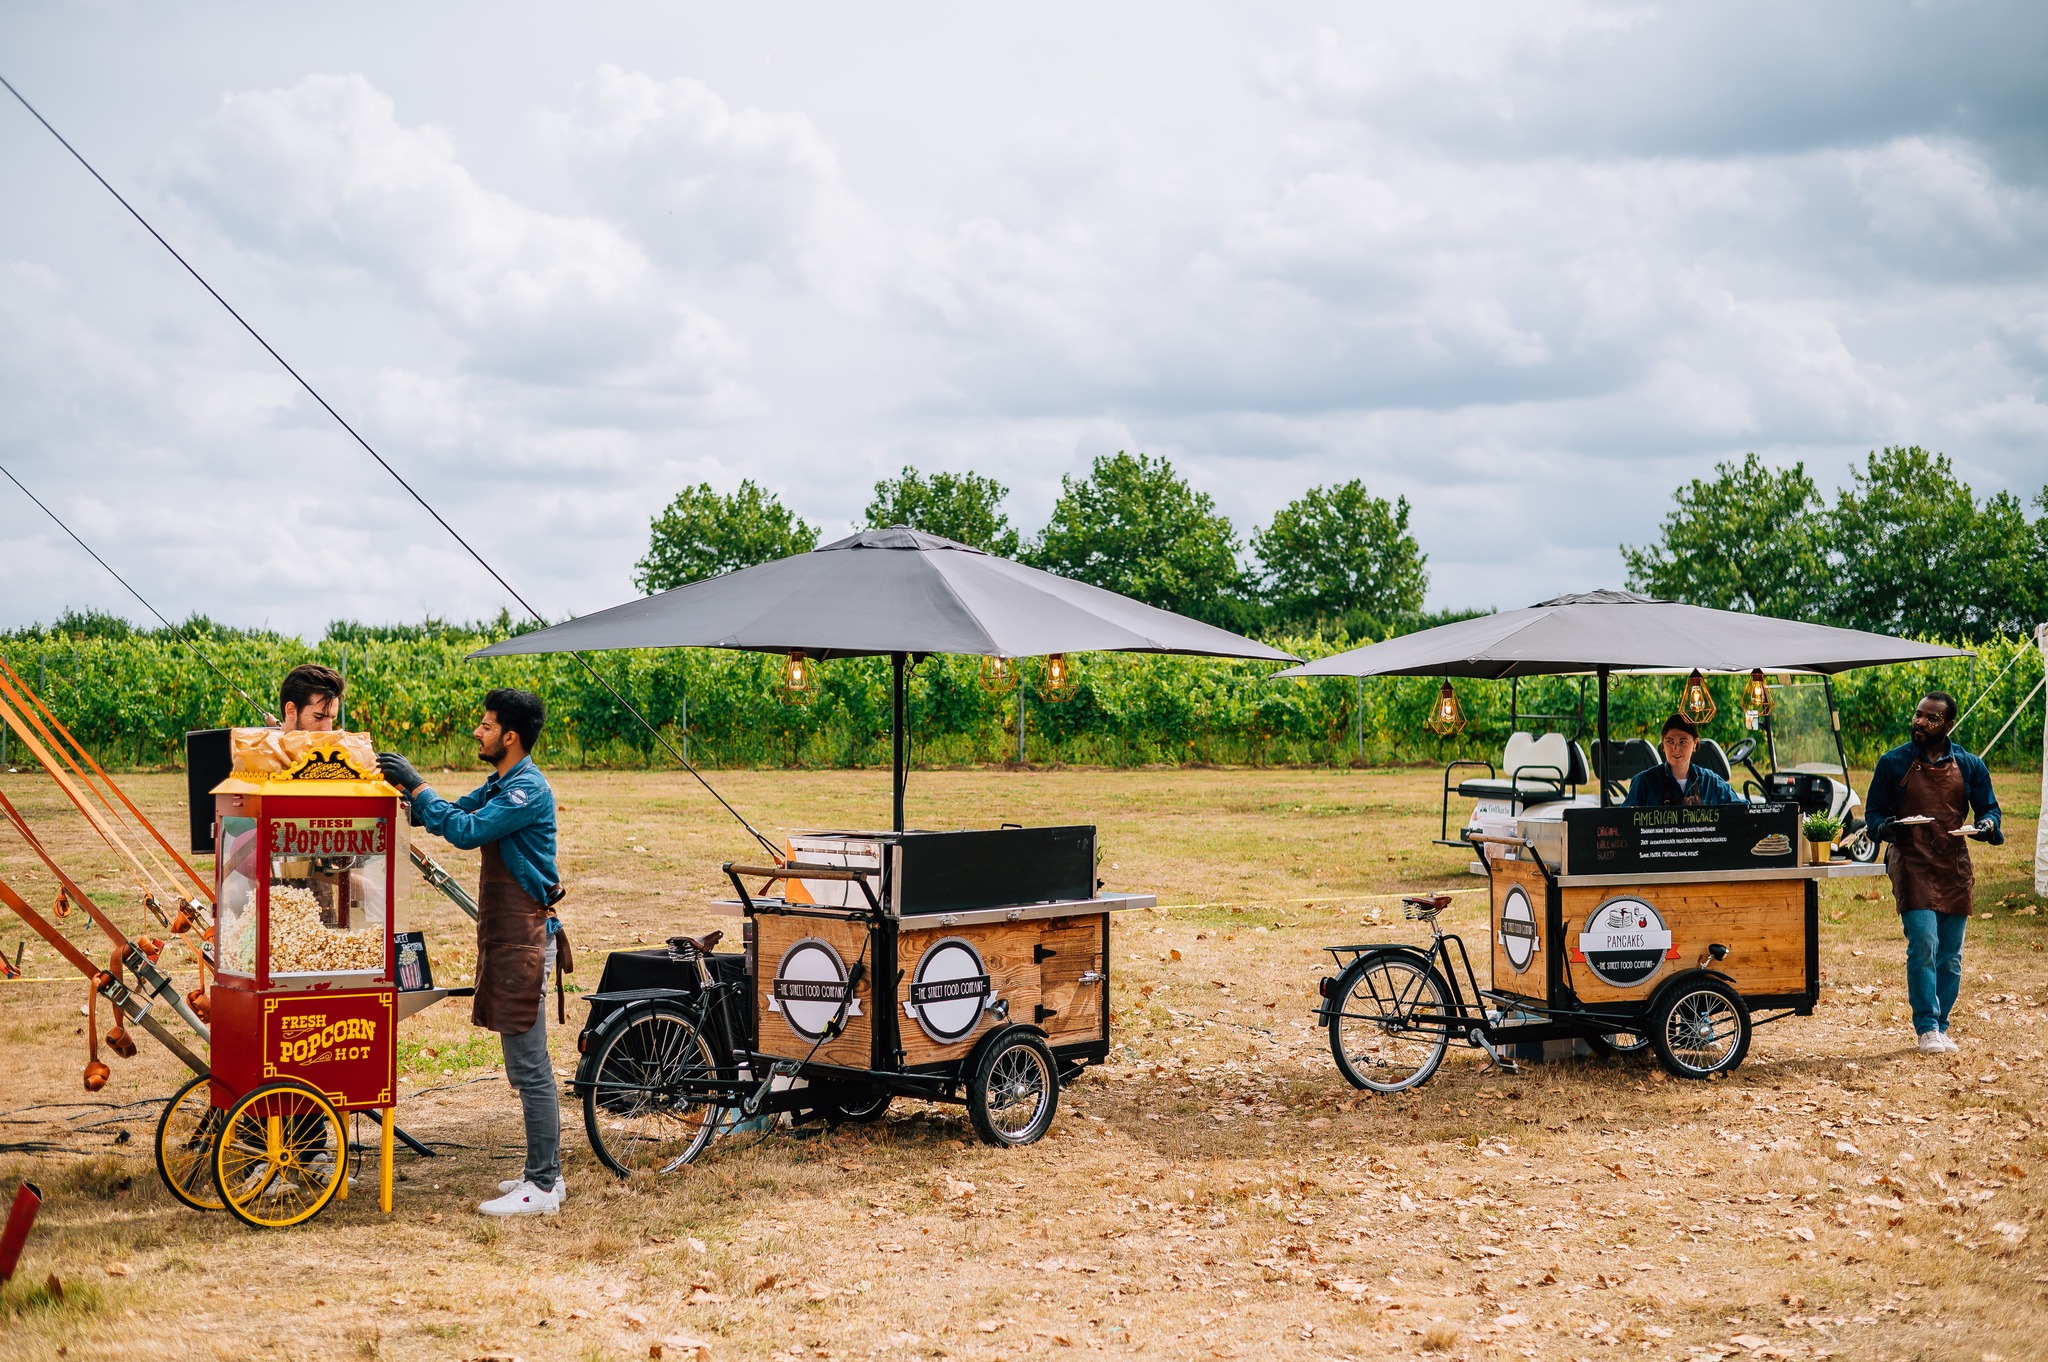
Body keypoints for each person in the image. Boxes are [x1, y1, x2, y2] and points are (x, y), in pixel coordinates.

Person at [375, 689, 566, 1215]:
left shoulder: (525, 791)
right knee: (525, 1062)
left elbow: (465, 830)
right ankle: (540, 1173)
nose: (477, 733)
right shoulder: (501, 783)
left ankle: (545, 1186)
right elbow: (455, 812)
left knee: (530, 1066)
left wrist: (418, 785)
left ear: (510, 736)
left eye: (486, 726)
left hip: (525, 937)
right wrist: (412, 801)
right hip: (509, 935)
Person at [1865, 690, 2003, 1054]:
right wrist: (1887, 828)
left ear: (1948, 724)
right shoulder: (1892, 763)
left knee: (1951, 955)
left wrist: (1987, 825)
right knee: (1924, 943)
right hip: (1910, 861)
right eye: (1918, 715)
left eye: (1930, 718)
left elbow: (1990, 809)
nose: (1920, 723)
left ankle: (1942, 1026)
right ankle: (1927, 1026)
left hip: (1953, 863)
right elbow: (1873, 817)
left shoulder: (1971, 765)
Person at [1625, 714, 1741, 807]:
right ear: (1663, 744)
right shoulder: (1644, 783)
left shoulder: (1711, 783)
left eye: (1682, 742)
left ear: (1695, 744)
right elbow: (1623, 822)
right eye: (1670, 741)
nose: (1675, 749)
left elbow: (1743, 812)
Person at [278, 663, 344, 732]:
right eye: (319, 717)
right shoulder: (267, 741)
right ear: (291, 711)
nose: (328, 730)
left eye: (332, 719)